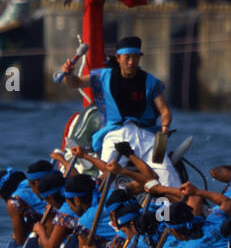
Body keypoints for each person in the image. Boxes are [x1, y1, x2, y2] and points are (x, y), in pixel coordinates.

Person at [65, 35, 180, 185]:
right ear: (118, 58)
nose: (131, 62)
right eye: (127, 58)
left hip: (145, 135)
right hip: (115, 134)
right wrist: (69, 74)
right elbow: (76, 83)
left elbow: (164, 111)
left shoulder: (151, 81)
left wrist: (164, 128)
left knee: (167, 174)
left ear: (139, 58)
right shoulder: (102, 76)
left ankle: (172, 205)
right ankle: (108, 203)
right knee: (106, 174)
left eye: (135, 57)